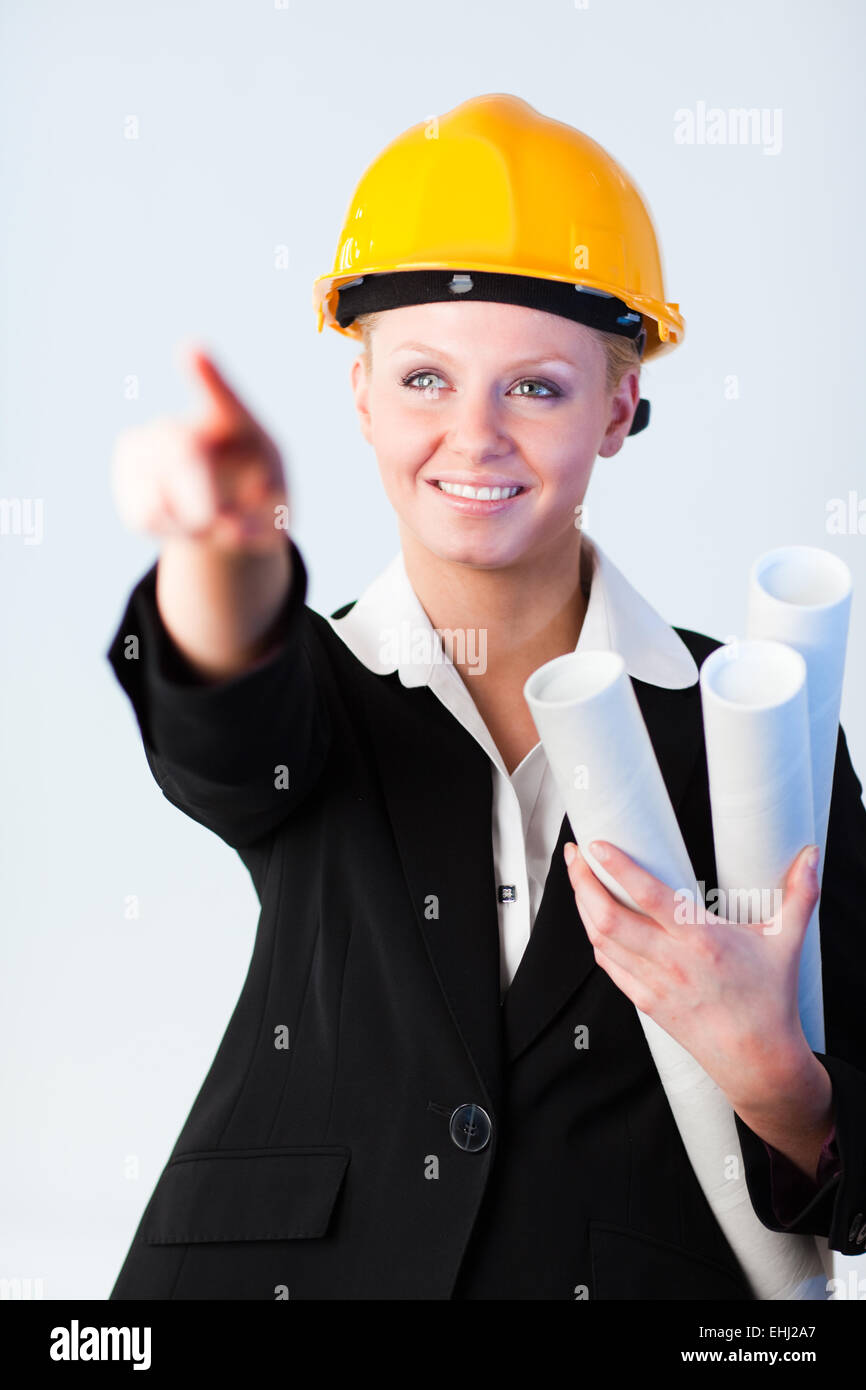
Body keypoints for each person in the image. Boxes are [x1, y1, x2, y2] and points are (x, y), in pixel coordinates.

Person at [105, 94, 866, 1300]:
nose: (473, 436)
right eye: (422, 378)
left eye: (535, 389)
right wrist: (224, 545)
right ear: (359, 396)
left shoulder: (751, 721)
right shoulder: (320, 690)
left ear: (617, 407)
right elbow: (219, 727)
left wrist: (773, 1073)